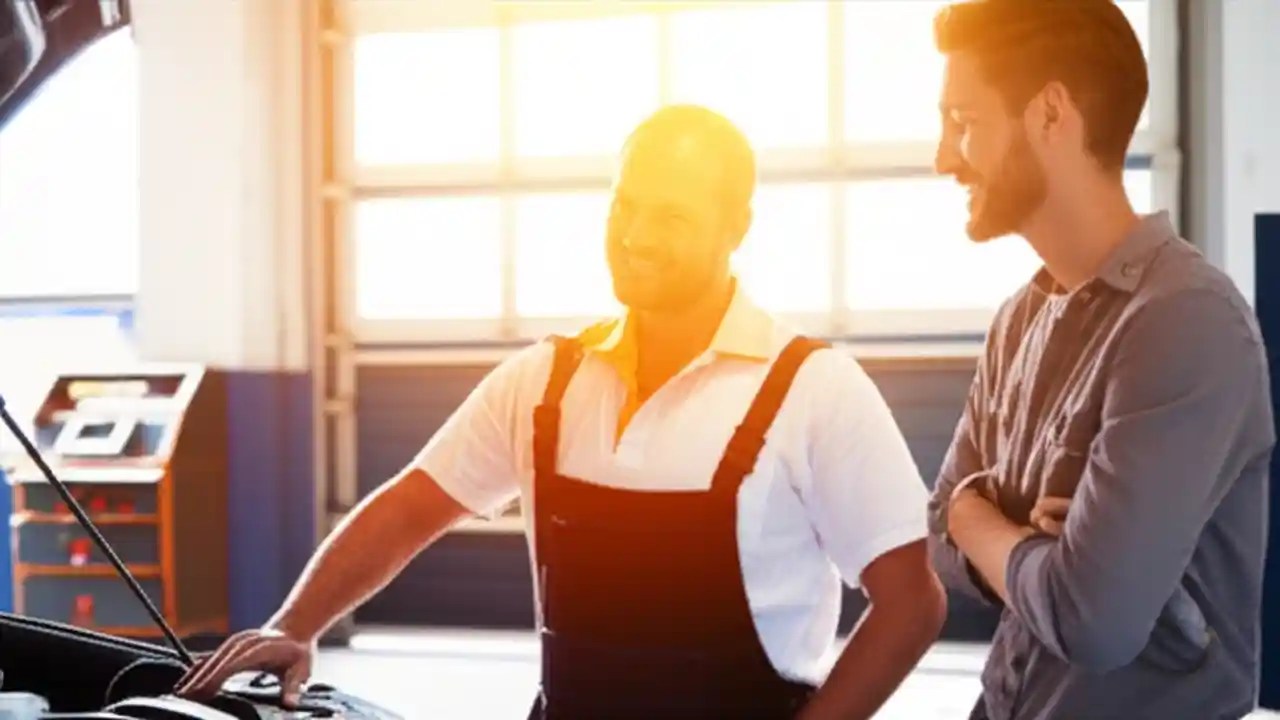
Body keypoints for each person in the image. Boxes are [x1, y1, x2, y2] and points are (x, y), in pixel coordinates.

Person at [174, 104, 947, 719]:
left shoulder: (813, 388)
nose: (637, 236)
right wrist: (296, 623)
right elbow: (412, 505)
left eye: (672, 217)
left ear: (735, 228)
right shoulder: (544, 382)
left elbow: (911, 603)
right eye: (625, 205)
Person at [926, 1, 1276, 719]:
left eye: (964, 121)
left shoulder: (1185, 323)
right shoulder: (1018, 322)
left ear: (1051, 115)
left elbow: (1093, 620)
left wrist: (982, 520)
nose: (943, 156)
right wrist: (1032, 552)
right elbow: (935, 533)